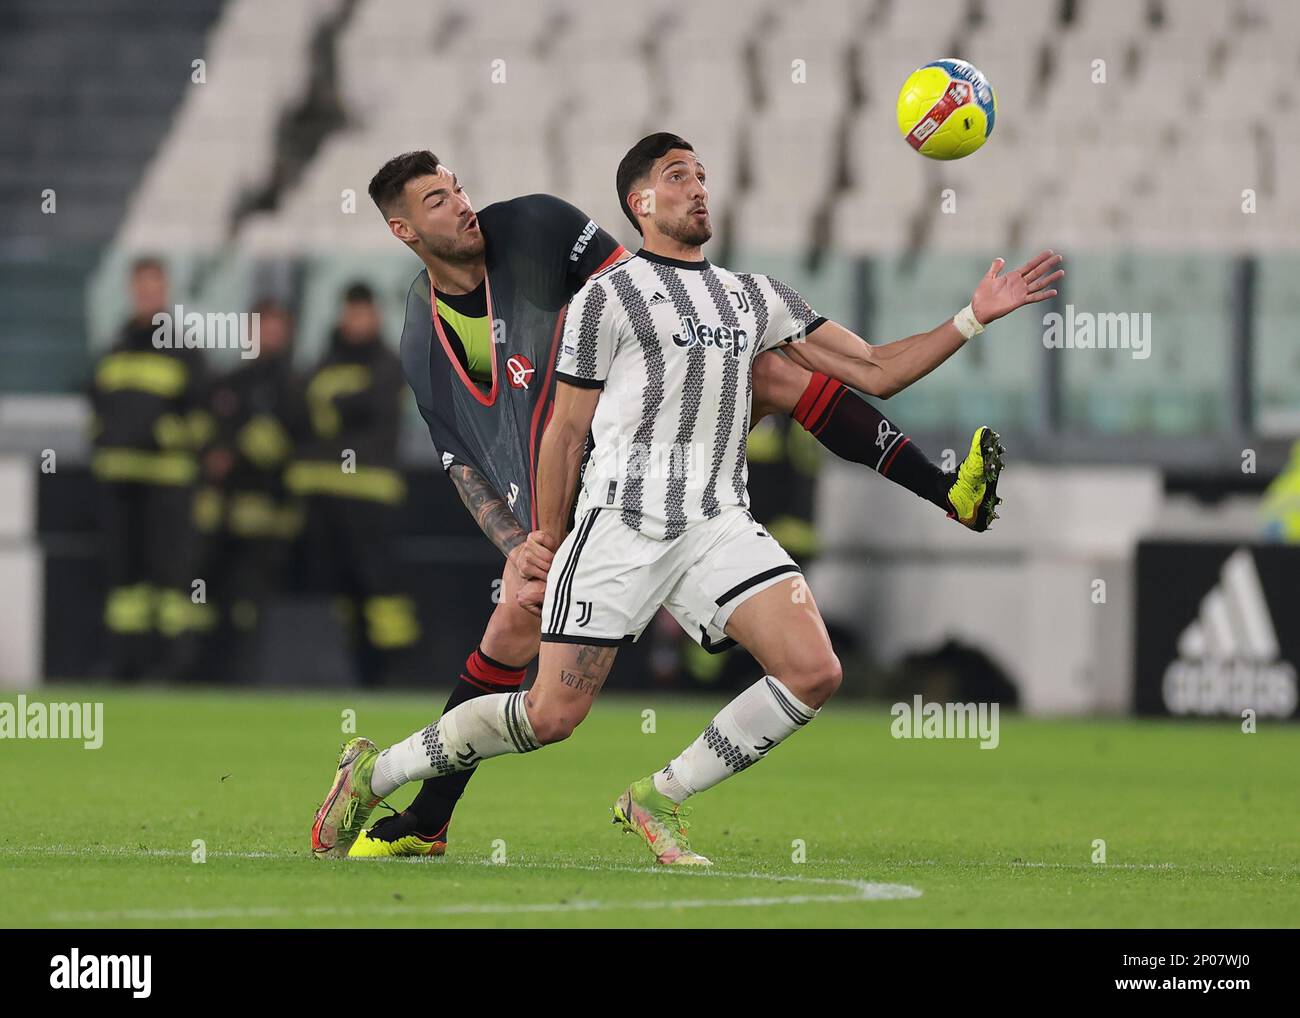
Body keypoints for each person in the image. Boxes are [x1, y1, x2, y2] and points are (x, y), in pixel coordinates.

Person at [312, 147, 1010, 859]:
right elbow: (486, 449)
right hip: (601, 504)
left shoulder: (696, 281)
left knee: (813, 660)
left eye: (458, 188)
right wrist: (529, 541)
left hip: (706, 510)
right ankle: (399, 792)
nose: (461, 204)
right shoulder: (436, 333)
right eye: (437, 200)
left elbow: (871, 367)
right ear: (404, 231)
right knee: (537, 685)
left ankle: (655, 798)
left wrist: (971, 319)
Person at [288, 283, 418, 685]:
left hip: (371, 496)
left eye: (364, 312)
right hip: (326, 497)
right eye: (352, 311)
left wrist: (327, 406)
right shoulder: (324, 361)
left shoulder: (386, 363)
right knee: (341, 588)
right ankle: (356, 666)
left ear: (375, 316)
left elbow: (363, 408)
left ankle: (396, 668)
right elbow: (296, 410)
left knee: (381, 586)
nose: (357, 320)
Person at [91, 257, 215, 679]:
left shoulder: (184, 351)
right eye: (140, 287)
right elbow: (98, 409)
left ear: (167, 292)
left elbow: (203, 419)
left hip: (168, 482)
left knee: (171, 579)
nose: (147, 295)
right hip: (119, 481)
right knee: (125, 582)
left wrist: (168, 435)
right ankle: (126, 663)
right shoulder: (115, 348)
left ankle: (174, 667)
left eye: (154, 287)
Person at [202, 298, 304, 679]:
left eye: (277, 327)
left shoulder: (294, 385)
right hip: (222, 516)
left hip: (270, 516)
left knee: (256, 603)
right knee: (217, 600)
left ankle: (253, 675)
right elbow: (207, 433)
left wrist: (234, 448)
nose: (270, 335)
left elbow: (284, 443)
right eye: (263, 326)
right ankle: (217, 673)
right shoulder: (232, 383)